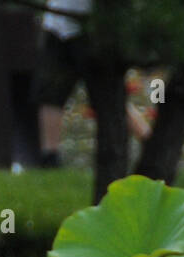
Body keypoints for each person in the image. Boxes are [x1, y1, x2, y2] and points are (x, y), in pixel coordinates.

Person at [32, 0, 149, 168]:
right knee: (49, 92)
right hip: (57, 23)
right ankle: (50, 156)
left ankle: (148, 140)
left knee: (107, 96)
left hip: (91, 25)